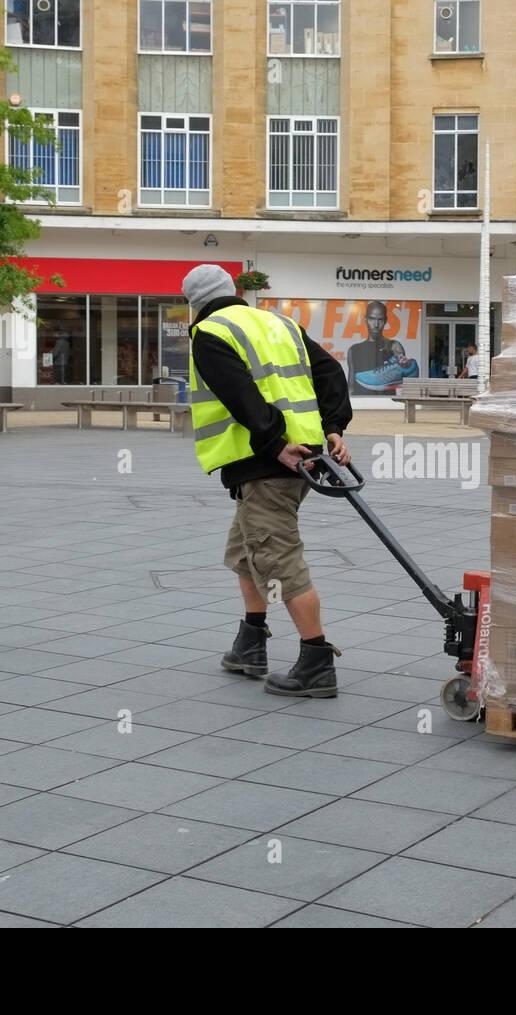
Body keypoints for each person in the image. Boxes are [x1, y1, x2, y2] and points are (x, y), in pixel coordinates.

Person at [185, 264, 353, 698]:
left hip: (269, 463)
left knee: (278, 559)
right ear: (233, 291)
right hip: (304, 458)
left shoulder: (210, 331)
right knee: (245, 552)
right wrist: (334, 427)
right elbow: (330, 371)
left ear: (194, 304)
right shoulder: (279, 323)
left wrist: (273, 442)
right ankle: (251, 642)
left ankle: (315, 662)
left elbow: (239, 394)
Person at [346, 300, 413, 394]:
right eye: (372, 319)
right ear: (365, 319)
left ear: (385, 320)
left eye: (380, 319)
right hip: (360, 402)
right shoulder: (354, 350)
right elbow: (351, 387)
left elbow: (404, 383)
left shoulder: (394, 346)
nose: (376, 324)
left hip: (387, 402)